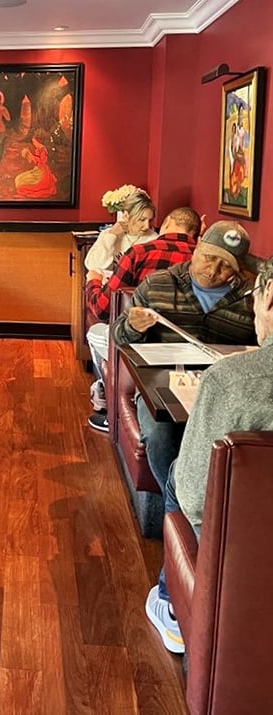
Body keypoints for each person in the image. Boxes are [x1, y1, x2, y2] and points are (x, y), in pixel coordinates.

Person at [145, 255, 273, 655]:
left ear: (268, 298)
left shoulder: (233, 382)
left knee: (178, 472)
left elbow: (198, 498)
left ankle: (173, 602)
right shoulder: (159, 283)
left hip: (245, 553)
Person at [110, 221, 256, 493]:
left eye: (226, 266)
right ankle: (177, 502)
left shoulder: (252, 298)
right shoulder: (158, 284)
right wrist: (132, 326)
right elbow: (118, 335)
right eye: (209, 258)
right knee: (158, 434)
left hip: (226, 389)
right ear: (197, 247)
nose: (213, 271)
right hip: (162, 387)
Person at [86, 207, 201, 433]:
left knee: (96, 332)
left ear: (166, 224)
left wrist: (93, 282)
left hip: (140, 344)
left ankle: (109, 401)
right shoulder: (203, 259)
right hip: (195, 348)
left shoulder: (139, 253)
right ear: (196, 233)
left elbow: (102, 308)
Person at [85, 189, 157, 276]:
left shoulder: (154, 239)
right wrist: (111, 236)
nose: (147, 226)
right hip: (108, 285)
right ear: (126, 215)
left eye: (150, 220)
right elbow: (93, 266)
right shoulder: (108, 234)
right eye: (142, 220)